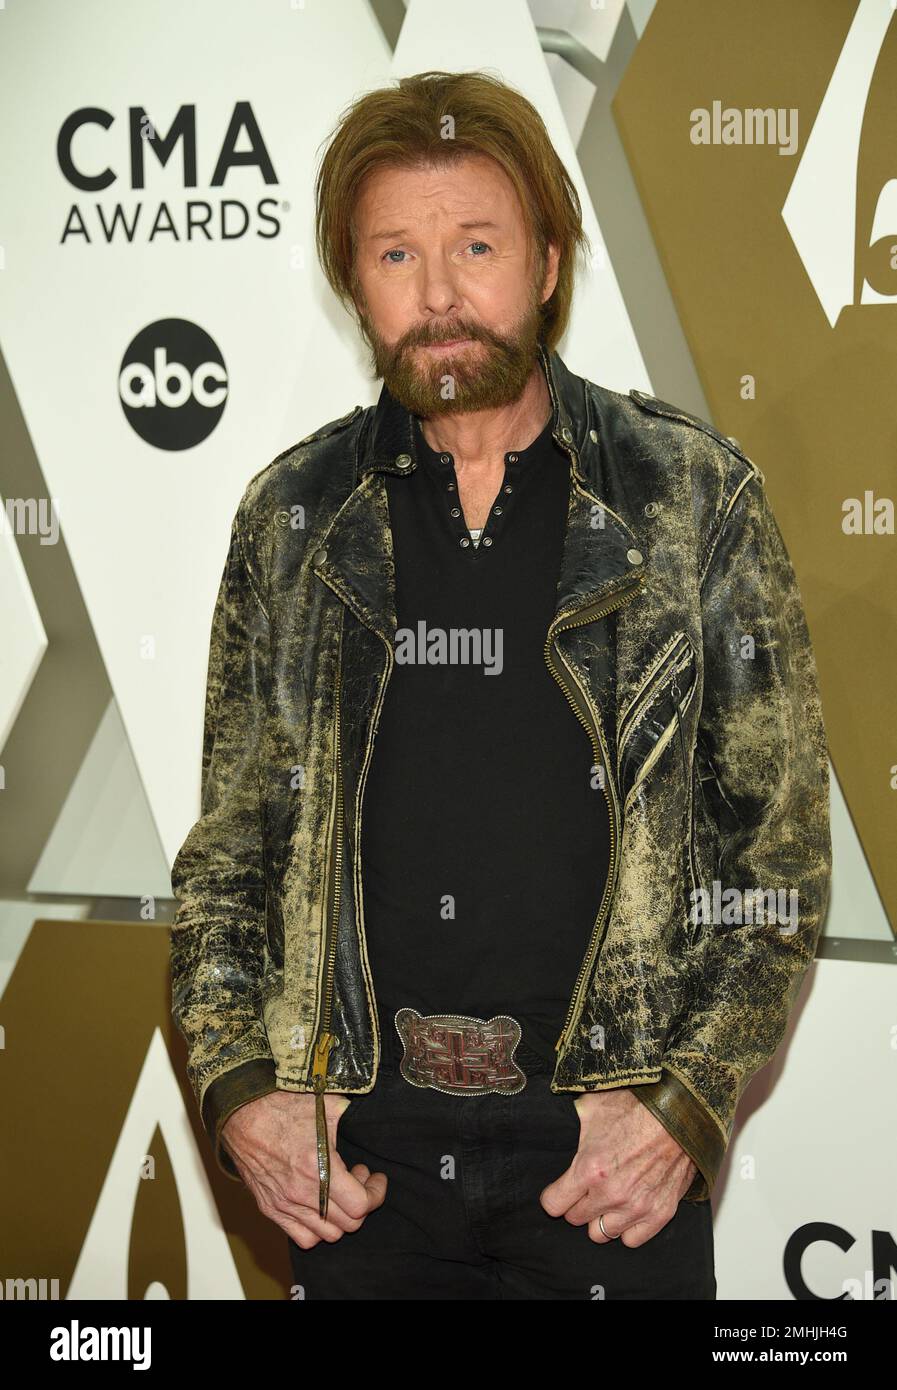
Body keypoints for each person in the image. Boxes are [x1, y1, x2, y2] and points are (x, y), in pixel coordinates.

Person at [169, 70, 832, 1300]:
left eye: (476, 246)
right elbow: (226, 861)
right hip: (360, 1176)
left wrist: (682, 1102)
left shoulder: (691, 500)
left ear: (549, 263)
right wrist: (239, 1092)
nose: (438, 296)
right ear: (353, 286)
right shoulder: (295, 518)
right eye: (394, 256)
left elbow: (777, 866)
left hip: (604, 1178)